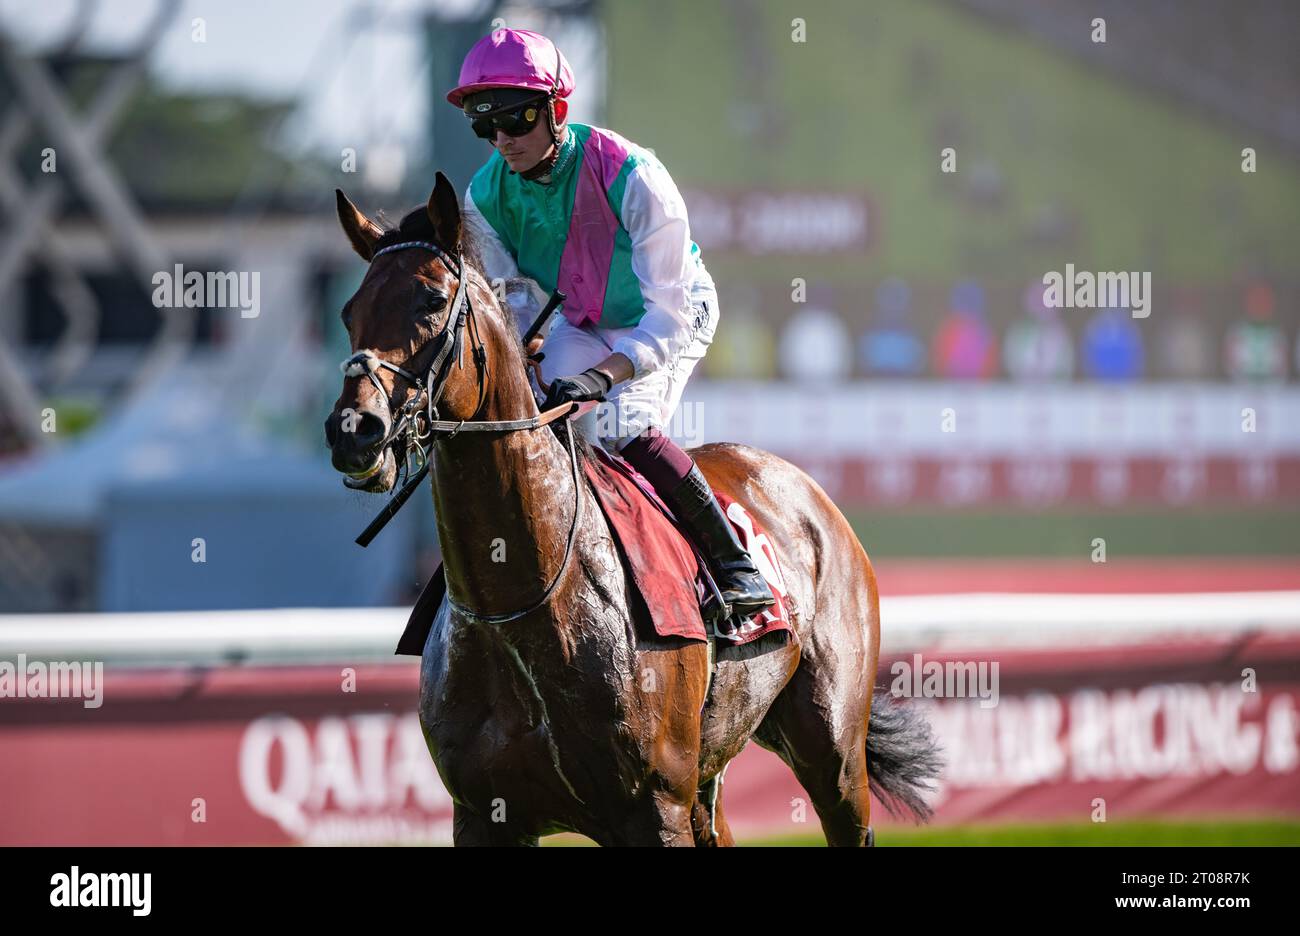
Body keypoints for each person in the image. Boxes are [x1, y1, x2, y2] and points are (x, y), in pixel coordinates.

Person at [446, 28, 774, 622]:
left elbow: (666, 319)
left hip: (667, 314)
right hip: (578, 320)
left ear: (555, 111)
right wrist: (532, 368)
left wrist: (604, 377)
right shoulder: (482, 197)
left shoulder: (634, 174)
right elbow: (516, 306)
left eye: (516, 121)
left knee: (623, 426)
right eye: (484, 125)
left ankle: (734, 567)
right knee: (535, 423)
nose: (502, 141)